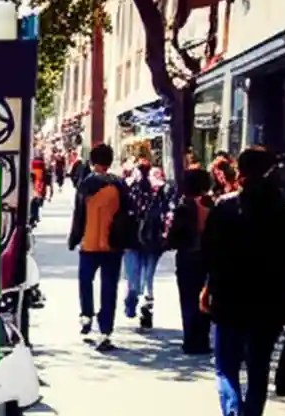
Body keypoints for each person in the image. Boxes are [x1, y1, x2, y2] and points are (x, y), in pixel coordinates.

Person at [200, 147, 285, 416]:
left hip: (229, 298)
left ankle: (233, 411)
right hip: (270, 302)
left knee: (225, 365)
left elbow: (212, 254)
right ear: (271, 171)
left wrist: (209, 288)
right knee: (258, 370)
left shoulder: (225, 208)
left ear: (239, 171)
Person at [68, 143, 133, 353]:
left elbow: (79, 215)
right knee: (109, 287)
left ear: (93, 161)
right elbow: (129, 212)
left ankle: (86, 315)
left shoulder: (86, 184)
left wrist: (74, 237)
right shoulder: (120, 184)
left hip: (90, 243)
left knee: (85, 281)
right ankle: (105, 331)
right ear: (110, 161)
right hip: (113, 245)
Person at [166, 168, 214, 354]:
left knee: (187, 299)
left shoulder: (183, 206)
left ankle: (190, 340)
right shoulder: (211, 205)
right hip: (207, 257)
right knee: (205, 297)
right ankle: (202, 339)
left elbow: (173, 236)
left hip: (187, 257)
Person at [123, 158, 172, 329]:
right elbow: (167, 212)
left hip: (132, 239)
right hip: (153, 239)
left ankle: (132, 300)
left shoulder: (129, 186)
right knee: (148, 276)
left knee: (133, 277)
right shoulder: (159, 188)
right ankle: (146, 304)